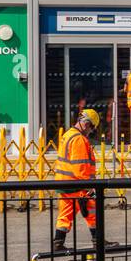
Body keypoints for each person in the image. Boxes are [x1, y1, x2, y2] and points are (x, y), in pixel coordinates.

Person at [53, 108, 100, 251]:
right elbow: (80, 166)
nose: (91, 132)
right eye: (92, 128)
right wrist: (88, 186)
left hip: (64, 182)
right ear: (87, 124)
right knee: (92, 210)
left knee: (66, 213)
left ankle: (58, 242)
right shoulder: (79, 139)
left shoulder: (68, 135)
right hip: (77, 184)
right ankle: (98, 241)